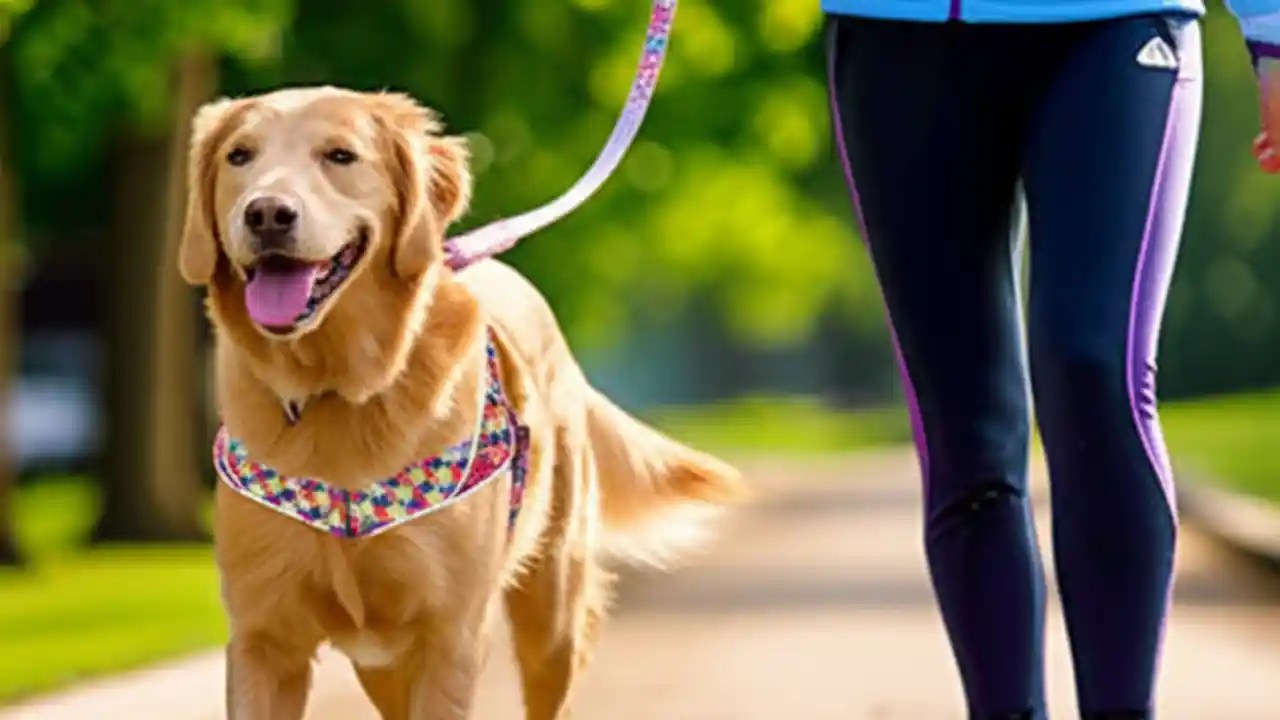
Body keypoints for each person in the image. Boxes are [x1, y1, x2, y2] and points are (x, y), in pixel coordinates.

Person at [821, 0, 1280, 718]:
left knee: (1092, 370)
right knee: (964, 426)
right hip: (899, 33)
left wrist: (1272, 30)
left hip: (1115, 23)